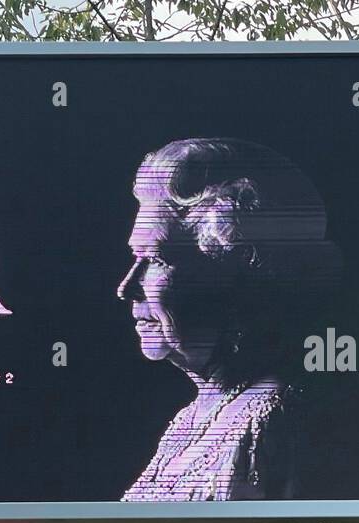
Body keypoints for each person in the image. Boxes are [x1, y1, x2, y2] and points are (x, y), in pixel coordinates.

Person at [116, 138, 339, 502]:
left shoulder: (270, 419)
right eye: (134, 257)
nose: (126, 288)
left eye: (155, 261)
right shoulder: (186, 424)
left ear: (230, 277)